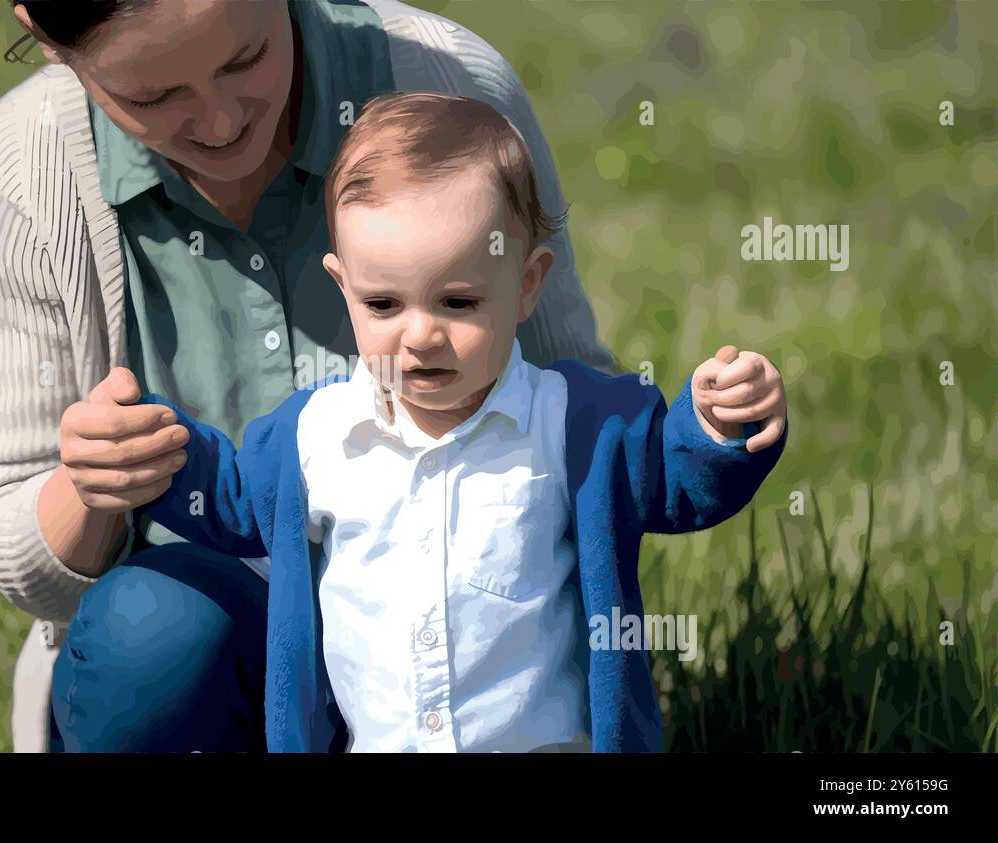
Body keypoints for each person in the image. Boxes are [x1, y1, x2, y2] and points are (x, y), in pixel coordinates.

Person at [0, 0, 620, 752]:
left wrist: (711, 436)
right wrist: (91, 485)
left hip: (470, 685)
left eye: (245, 59)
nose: (220, 120)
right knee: (154, 630)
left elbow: (585, 426)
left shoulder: (447, 85)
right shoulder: (25, 169)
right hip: (201, 676)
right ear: (47, 41)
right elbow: (26, 565)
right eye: (153, 97)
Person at [57, 91, 788, 752]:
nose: (420, 335)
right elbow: (230, 496)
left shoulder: (574, 423)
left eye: (458, 302)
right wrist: (156, 449)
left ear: (527, 283)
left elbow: (673, 478)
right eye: (384, 305)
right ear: (345, 288)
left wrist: (718, 424)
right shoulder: (317, 437)